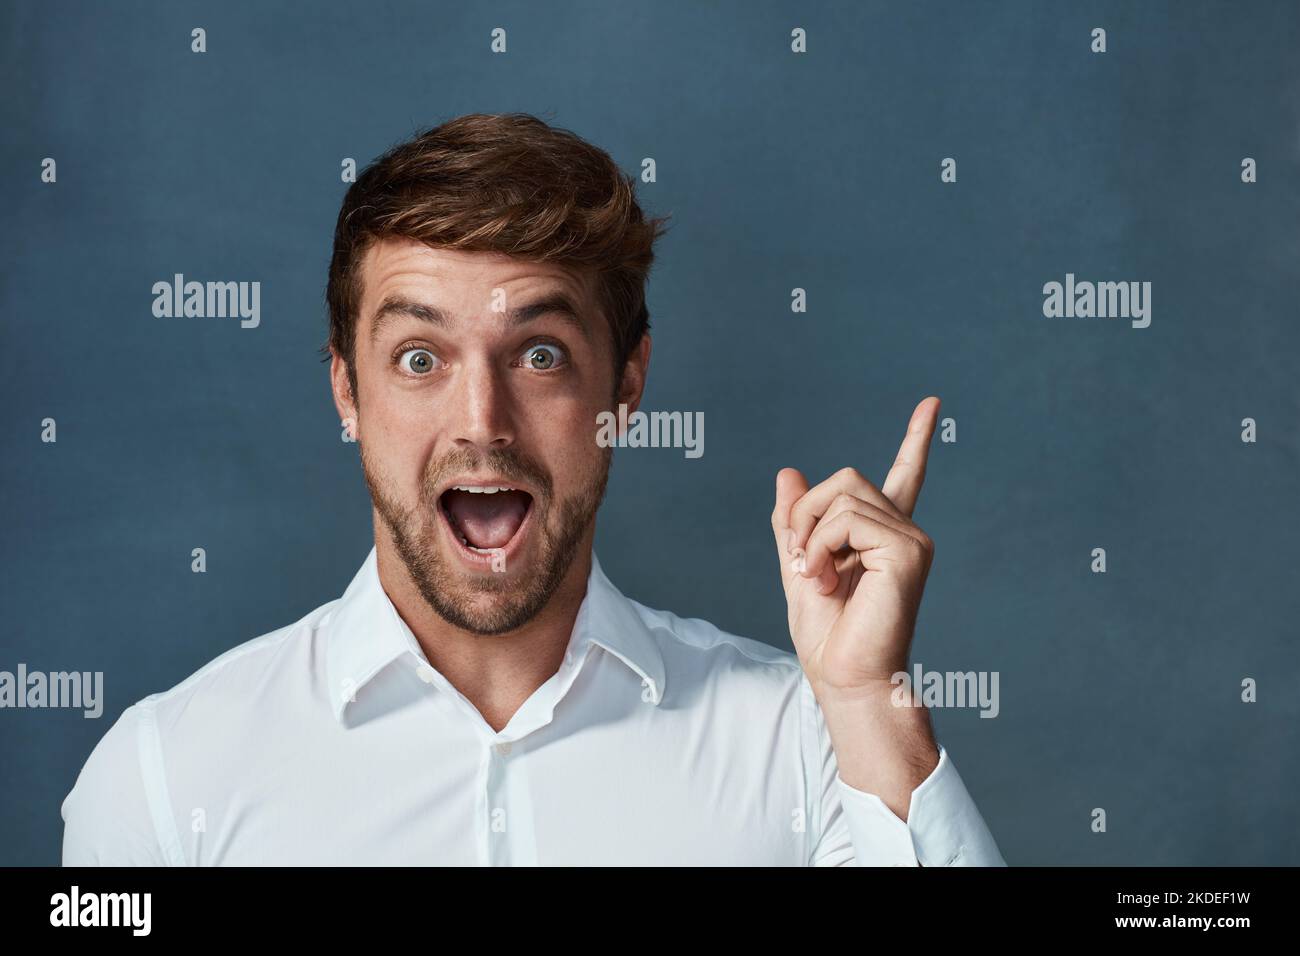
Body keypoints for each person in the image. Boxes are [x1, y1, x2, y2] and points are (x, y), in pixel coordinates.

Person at [61, 113, 1004, 866]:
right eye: (420, 357)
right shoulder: (162, 773)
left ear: (625, 387)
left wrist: (868, 702)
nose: (482, 420)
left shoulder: (800, 740)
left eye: (540, 355)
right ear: (347, 390)